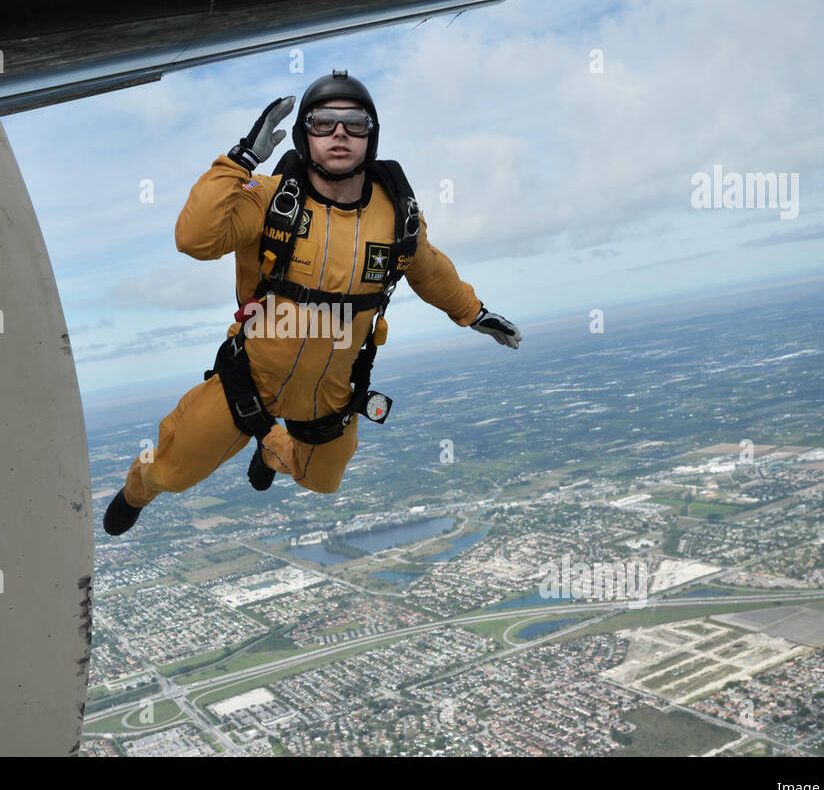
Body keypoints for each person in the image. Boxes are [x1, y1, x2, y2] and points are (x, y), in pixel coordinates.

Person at [103, 70, 521, 536]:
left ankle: (271, 448)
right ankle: (134, 491)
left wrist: (472, 311)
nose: (339, 133)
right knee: (170, 471)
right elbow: (195, 238)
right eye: (322, 122)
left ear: (371, 136)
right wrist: (241, 159)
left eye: (354, 123)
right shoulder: (269, 198)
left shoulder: (397, 216)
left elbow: (429, 269)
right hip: (252, 375)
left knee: (323, 481)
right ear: (304, 136)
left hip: (331, 389)